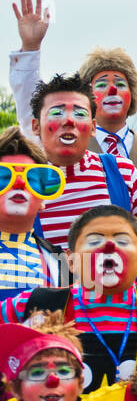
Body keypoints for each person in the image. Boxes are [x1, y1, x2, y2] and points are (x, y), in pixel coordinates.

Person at [0, 205, 137, 390]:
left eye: (123, 241)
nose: (109, 245)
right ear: (72, 261)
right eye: (94, 241)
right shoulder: (33, 306)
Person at [9, 0, 137, 181]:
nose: (112, 90)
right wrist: (30, 48)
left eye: (120, 84)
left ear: (133, 94)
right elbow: (32, 105)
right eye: (102, 84)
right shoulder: (64, 141)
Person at [24, 74, 137, 250]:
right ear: (35, 126)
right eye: (57, 113)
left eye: (80, 113)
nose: (69, 121)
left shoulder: (122, 172)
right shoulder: (23, 183)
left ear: (93, 127)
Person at [0, 126, 66, 298]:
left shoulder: (60, 262)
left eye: (31, 179)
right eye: (5, 177)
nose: (19, 184)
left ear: (43, 199)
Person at [0, 315, 86, 401]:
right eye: (37, 373)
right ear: (16, 389)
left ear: (80, 383)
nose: (52, 380)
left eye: (63, 371)